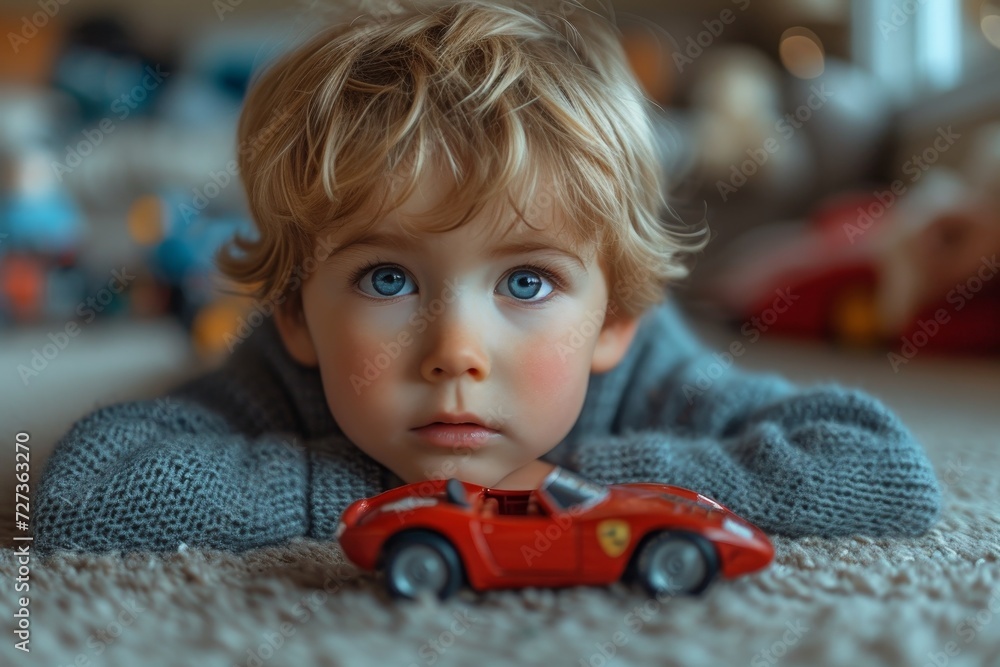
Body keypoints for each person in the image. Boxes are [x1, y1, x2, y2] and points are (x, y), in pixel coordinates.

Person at [33, 0, 941, 555]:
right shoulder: (288, 371)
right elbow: (80, 493)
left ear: (615, 315)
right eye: (386, 279)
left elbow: (883, 471)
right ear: (299, 310)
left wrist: (572, 486)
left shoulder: (649, 367)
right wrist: (409, 497)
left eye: (528, 284)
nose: (456, 352)